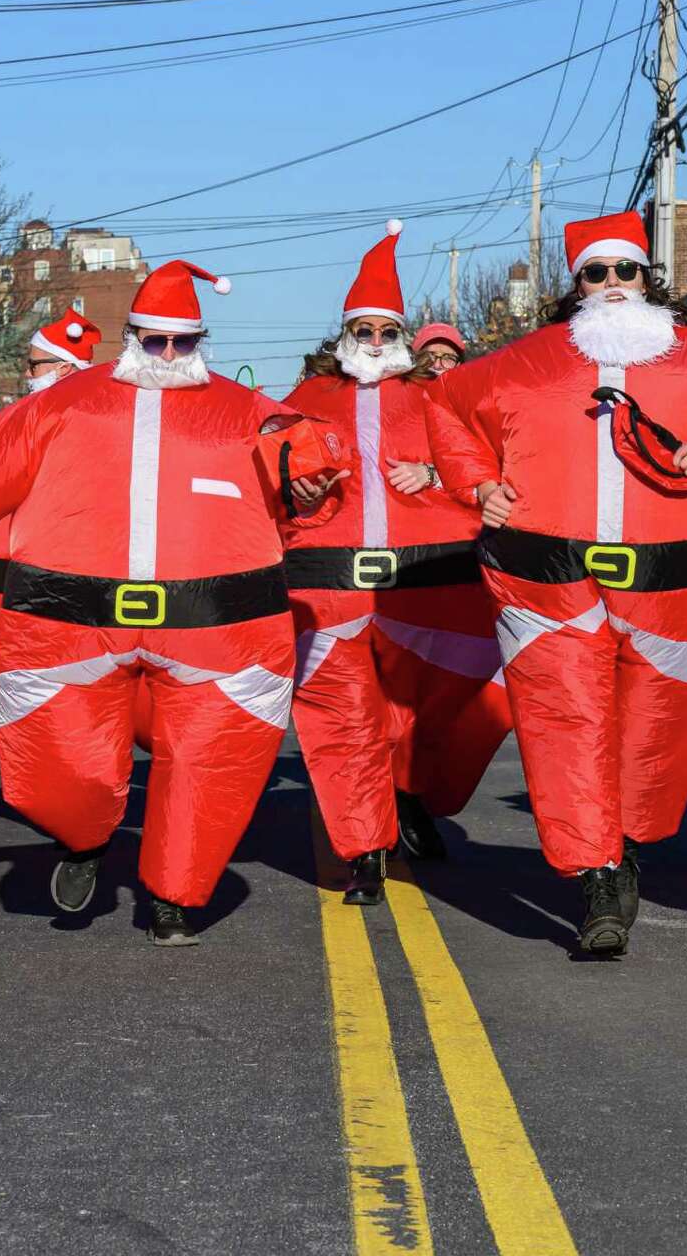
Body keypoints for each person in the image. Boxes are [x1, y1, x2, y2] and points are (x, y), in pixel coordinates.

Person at [426, 210, 687, 955]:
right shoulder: (522, 362)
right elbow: (446, 408)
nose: (611, 287)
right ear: (576, 286)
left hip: (682, 578)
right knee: (565, 723)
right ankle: (596, 871)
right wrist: (477, 485)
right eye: (595, 274)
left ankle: (625, 835)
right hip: (547, 577)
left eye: (624, 272)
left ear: (647, 278)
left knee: (657, 731)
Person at [0, 261, 303, 946]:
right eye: (155, 342)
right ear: (131, 336)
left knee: (209, 761)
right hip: (74, 619)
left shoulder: (245, 415)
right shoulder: (67, 402)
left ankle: (174, 895)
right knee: (59, 762)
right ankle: (83, 836)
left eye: (183, 342)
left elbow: (309, 468)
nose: (169, 356)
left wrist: (320, 483)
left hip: (211, 625)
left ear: (201, 339)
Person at [279, 222, 510, 903]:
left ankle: (408, 794)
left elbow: (490, 471)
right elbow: (269, 478)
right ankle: (365, 850)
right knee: (343, 720)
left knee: (432, 714)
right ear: (345, 334)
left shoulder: (441, 399)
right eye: (365, 330)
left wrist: (435, 473)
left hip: (432, 585)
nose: (376, 343)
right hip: (331, 587)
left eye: (387, 331)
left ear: (402, 336)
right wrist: (300, 489)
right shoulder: (303, 402)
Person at [0, 310, 108, 774]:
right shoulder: (21, 420)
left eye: (34, 364)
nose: (26, 372)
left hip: (75, 577)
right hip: (9, 573)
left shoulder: (96, 425)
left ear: (62, 368)